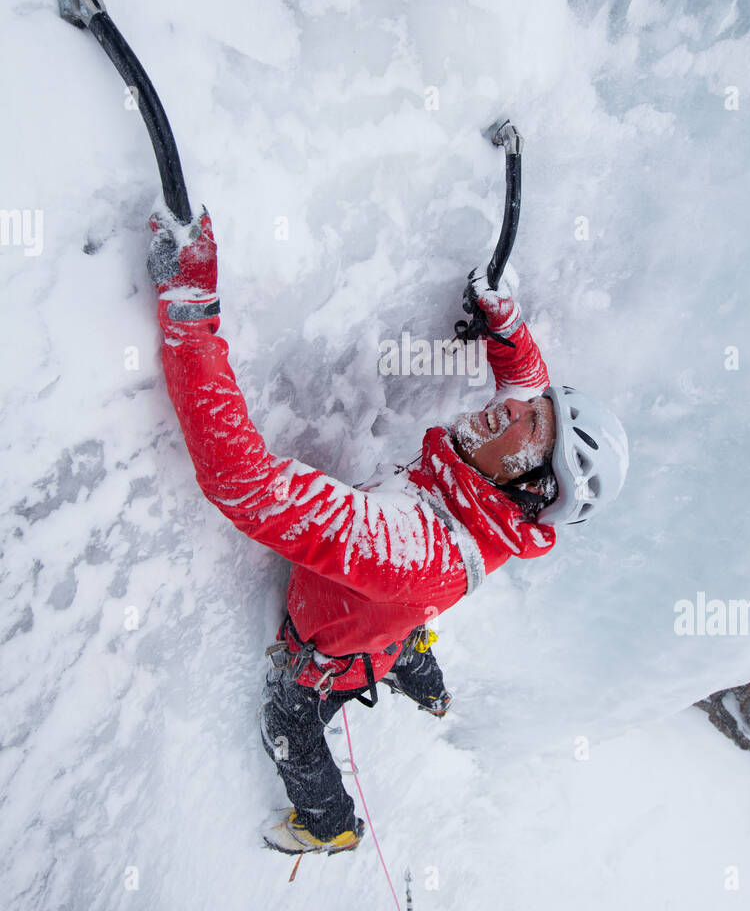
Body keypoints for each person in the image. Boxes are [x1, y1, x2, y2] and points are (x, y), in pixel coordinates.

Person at [147, 205, 629, 857]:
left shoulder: (415, 549)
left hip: (339, 648)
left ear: (535, 486)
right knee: (401, 639)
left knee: (287, 723)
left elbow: (248, 484)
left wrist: (190, 314)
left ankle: (330, 824)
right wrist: (503, 319)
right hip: (386, 615)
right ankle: (427, 686)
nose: (513, 407)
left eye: (534, 426)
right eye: (533, 409)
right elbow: (529, 380)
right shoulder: (503, 502)